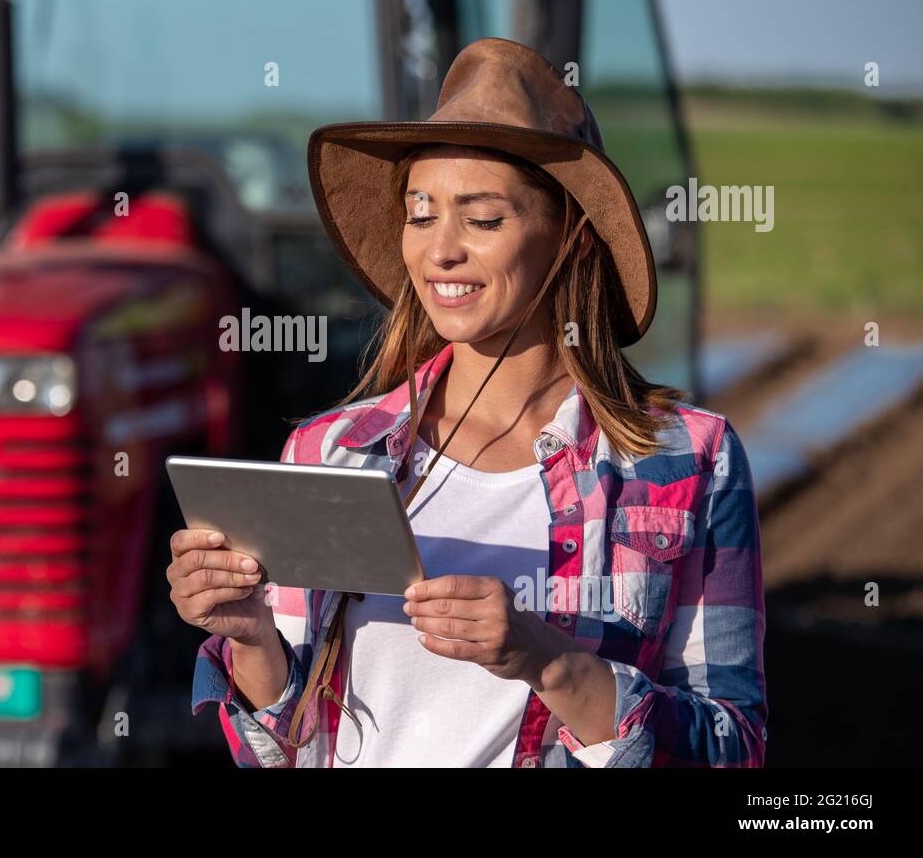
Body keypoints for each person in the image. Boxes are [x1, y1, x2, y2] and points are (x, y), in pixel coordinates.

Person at [167, 38, 767, 768]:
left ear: (574, 239)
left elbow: (733, 749)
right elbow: (283, 751)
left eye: (482, 219)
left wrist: (550, 661)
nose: (440, 250)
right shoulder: (332, 451)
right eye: (421, 214)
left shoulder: (689, 460)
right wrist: (250, 635)